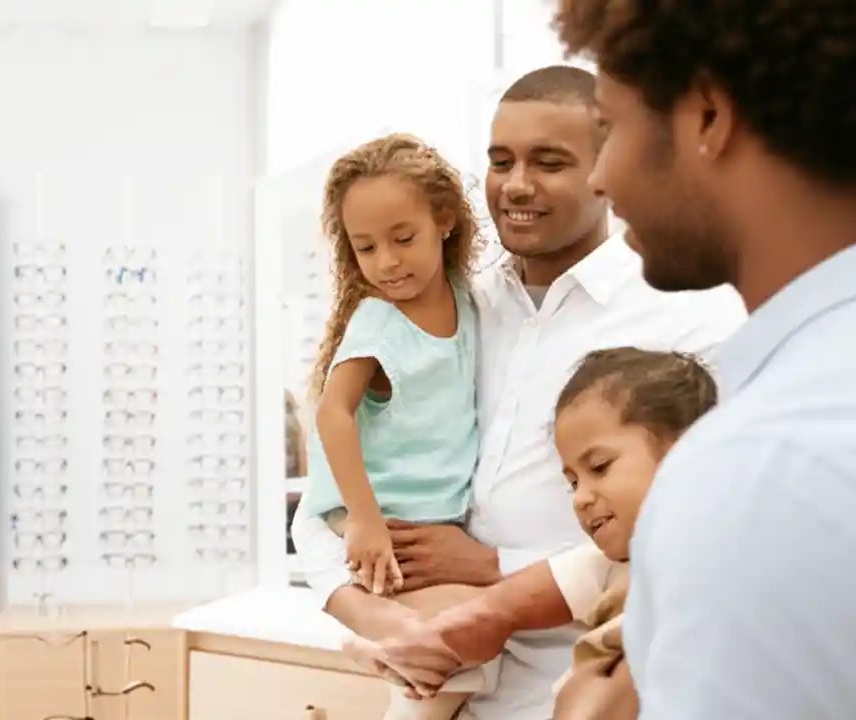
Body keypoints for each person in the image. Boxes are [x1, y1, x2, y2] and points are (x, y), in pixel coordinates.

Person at [362, 3, 856, 718]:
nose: (606, 180)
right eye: (500, 159)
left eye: (617, 127)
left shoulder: (763, 462)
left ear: (707, 120)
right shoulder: (826, 389)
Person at [310, 65, 746, 720]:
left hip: (602, 690)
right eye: (500, 160)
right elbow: (327, 499)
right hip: (450, 682)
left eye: (550, 162)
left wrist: (495, 567)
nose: (516, 185)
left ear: (606, 169)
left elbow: (706, 522)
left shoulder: (691, 315)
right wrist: (378, 619)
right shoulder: (455, 312)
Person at [348, 348, 718, 720]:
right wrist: (439, 639)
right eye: (572, 483)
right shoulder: (607, 563)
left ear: (686, 452)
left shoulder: (715, 555)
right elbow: (518, 600)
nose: (582, 499)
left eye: (600, 467)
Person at [290, 132, 494, 720]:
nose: (387, 262)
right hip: (375, 526)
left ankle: (382, 650)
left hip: (421, 524)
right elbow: (331, 412)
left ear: (446, 220)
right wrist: (365, 520)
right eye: (366, 248)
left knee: (472, 646)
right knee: (468, 637)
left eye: (403, 239)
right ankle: (381, 647)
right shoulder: (379, 321)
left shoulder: (465, 298)